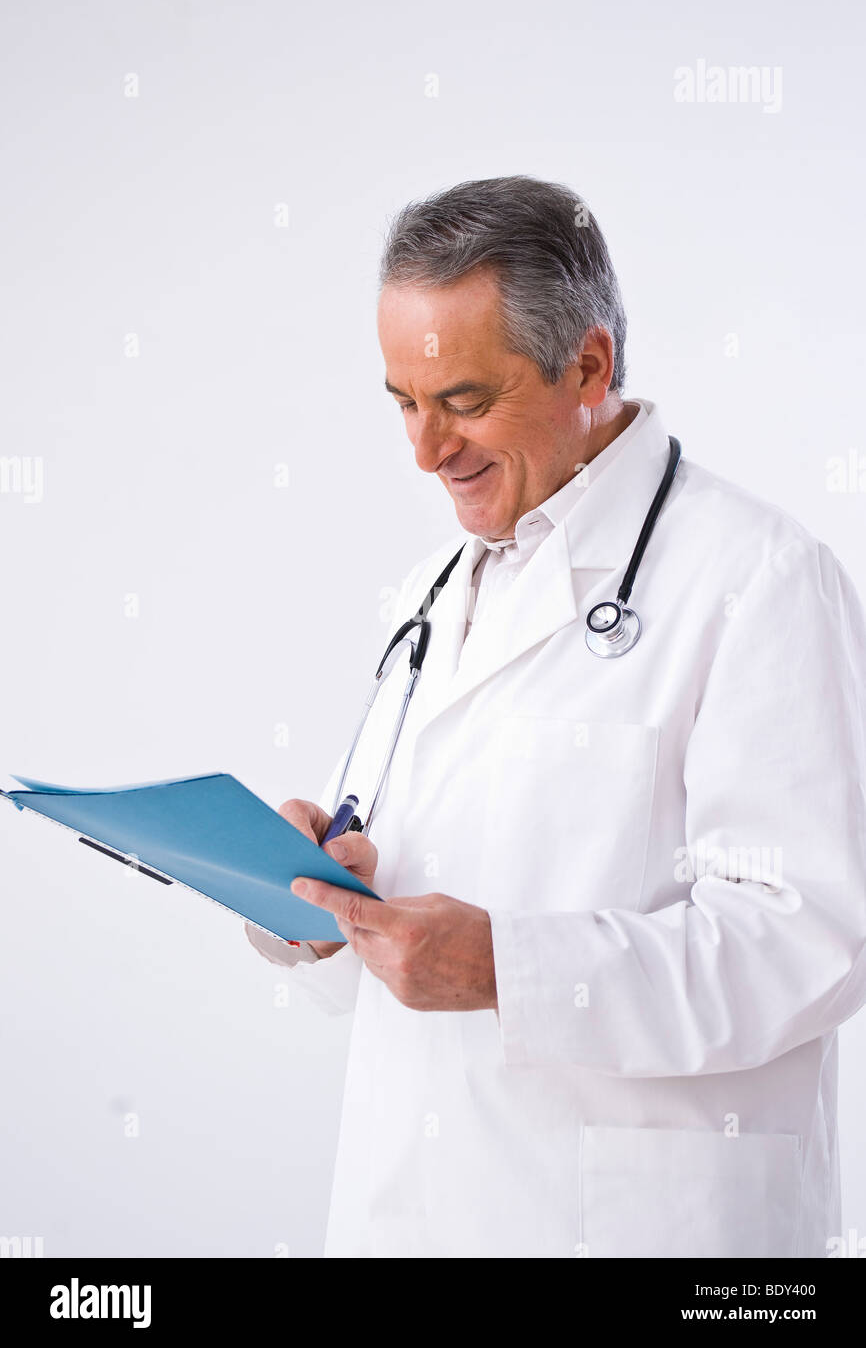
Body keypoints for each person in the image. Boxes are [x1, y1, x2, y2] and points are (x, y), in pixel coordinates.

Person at [246, 176, 866, 1258]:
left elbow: (809, 940)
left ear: (588, 366)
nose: (424, 450)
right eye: (401, 400)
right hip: (411, 1211)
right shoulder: (435, 591)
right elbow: (420, 913)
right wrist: (309, 898)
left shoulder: (757, 580)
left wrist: (506, 967)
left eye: (464, 401)